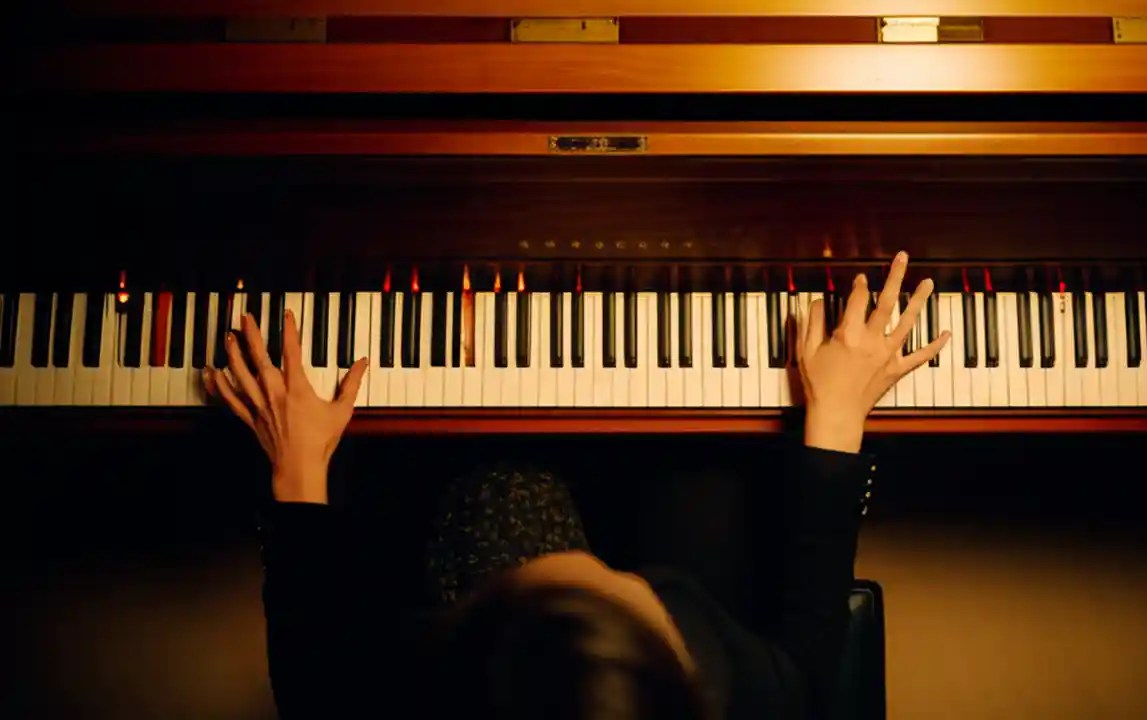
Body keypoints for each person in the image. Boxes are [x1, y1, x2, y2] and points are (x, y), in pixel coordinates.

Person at [204, 251, 949, 720]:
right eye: (626, 598)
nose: (603, 574)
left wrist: (296, 466)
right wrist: (839, 416)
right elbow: (808, 681)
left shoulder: (398, 688)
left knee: (490, 488)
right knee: (705, 466)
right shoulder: (747, 693)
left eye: (547, 583)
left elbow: (312, 680)